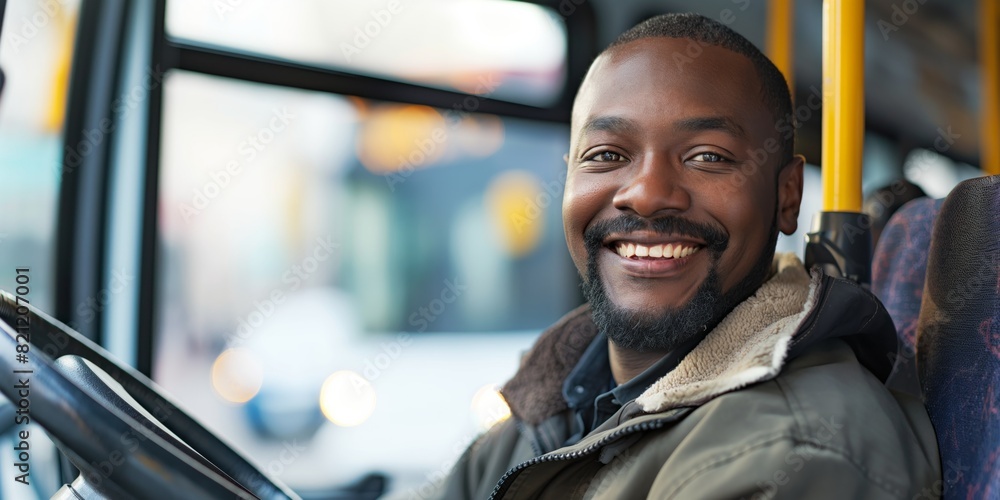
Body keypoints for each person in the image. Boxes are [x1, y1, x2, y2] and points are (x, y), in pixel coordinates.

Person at [437, 13, 941, 499]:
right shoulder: (547, 400)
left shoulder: (796, 452)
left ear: (787, 198)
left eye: (707, 157)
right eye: (607, 155)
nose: (647, 194)